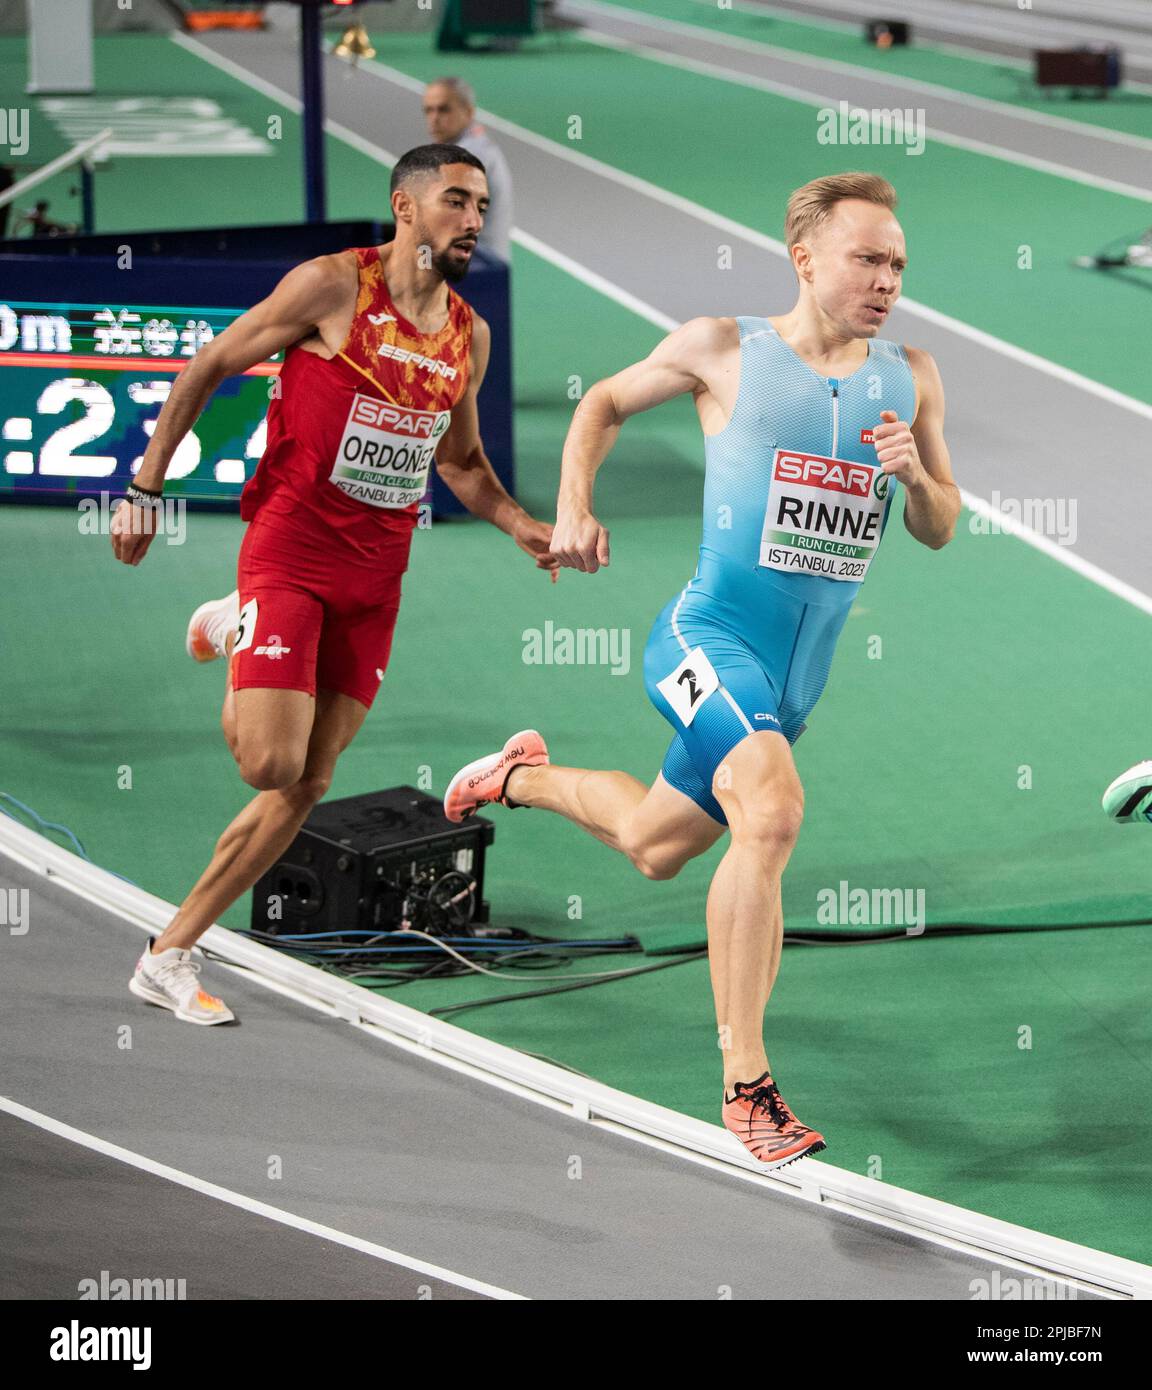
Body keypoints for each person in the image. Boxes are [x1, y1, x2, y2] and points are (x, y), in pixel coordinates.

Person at [444, 173, 961, 1169]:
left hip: (790, 685)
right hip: (704, 642)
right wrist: (575, 503)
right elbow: (600, 402)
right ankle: (746, 1082)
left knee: (653, 843)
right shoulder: (723, 349)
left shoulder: (914, 375)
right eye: (868, 258)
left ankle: (514, 774)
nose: (888, 279)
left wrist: (916, 477)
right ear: (806, 258)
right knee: (769, 815)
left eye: (898, 263)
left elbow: (941, 528)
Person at [111, 143, 556, 1025]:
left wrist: (520, 525)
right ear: (405, 207)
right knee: (268, 760)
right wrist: (144, 487)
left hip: (375, 578)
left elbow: (462, 465)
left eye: (479, 206)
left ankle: (168, 955)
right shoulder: (332, 287)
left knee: (306, 784)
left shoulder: (469, 334)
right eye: (456, 203)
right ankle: (242, 622)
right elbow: (209, 365)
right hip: (292, 550)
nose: (473, 221)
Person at [422, 77, 512, 261]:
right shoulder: (473, 147)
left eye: (444, 109)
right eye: (428, 110)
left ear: (469, 111)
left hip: (477, 267)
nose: (435, 118)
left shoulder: (469, 158)